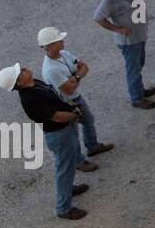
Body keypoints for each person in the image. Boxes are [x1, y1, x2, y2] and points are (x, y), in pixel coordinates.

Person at [0, 62, 88, 220]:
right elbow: (56, 116)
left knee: (69, 162)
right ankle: (64, 208)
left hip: (64, 129)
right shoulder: (31, 98)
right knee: (64, 168)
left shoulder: (34, 84)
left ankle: (68, 189)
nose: (24, 68)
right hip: (59, 133)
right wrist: (75, 115)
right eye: (21, 71)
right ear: (20, 82)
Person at [39, 26, 113, 172]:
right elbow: (69, 88)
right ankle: (79, 161)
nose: (63, 41)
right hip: (67, 103)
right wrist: (77, 76)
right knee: (73, 134)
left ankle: (92, 146)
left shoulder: (64, 53)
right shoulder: (51, 69)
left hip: (75, 98)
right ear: (51, 45)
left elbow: (84, 66)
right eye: (59, 40)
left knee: (89, 121)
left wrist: (75, 78)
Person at [93, 0, 155, 110]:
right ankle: (137, 99)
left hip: (139, 36)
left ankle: (139, 90)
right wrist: (117, 29)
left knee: (139, 65)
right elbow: (98, 18)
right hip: (129, 41)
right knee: (133, 70)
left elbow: (135, 0)